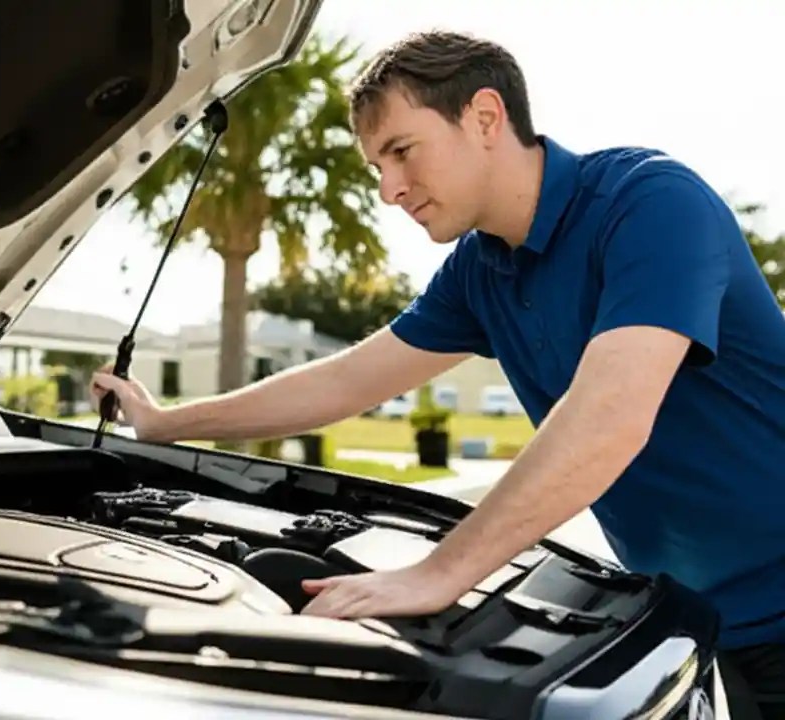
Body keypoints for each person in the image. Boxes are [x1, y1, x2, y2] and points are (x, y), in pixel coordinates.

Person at [91, 30, 785, 719]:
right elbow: (343, 384)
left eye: (401, 151)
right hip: (694, 621)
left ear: (485, 117)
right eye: (375, 168)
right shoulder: (480, 271)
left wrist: (440, 574)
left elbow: (611, 415)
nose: (391, 189)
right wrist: (166, 423)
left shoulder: (650, 204)